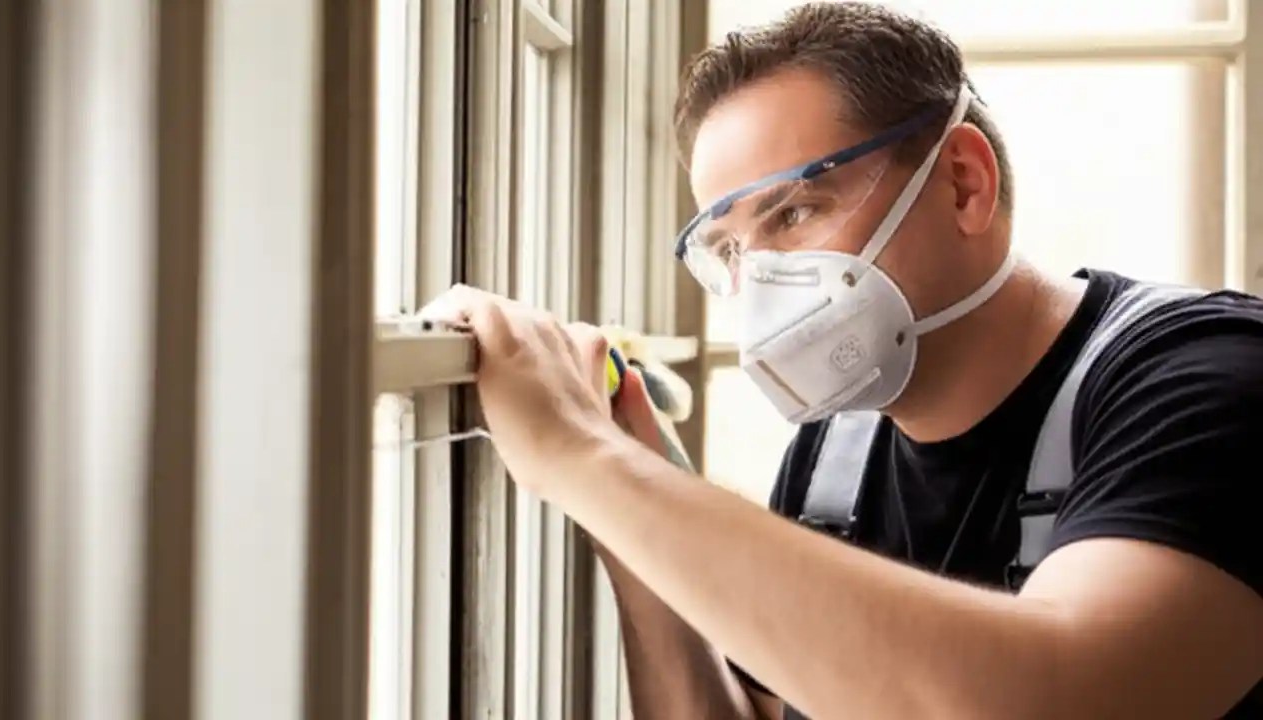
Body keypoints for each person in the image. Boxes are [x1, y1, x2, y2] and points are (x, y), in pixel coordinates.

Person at [423, 2, 1263, 717]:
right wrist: (632, 492)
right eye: (728, 247)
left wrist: (584, 460)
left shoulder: (1207, 380)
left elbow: (1067, 696)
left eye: (794, 212)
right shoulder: (836, 457)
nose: (763, 280)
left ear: (964, 183)